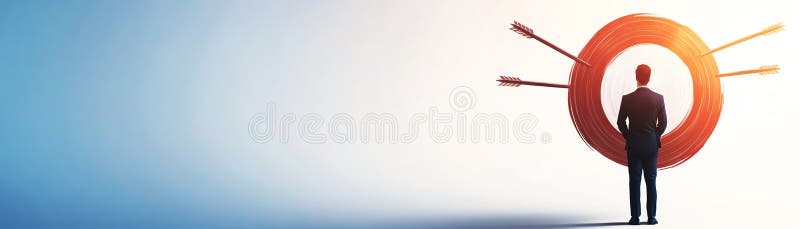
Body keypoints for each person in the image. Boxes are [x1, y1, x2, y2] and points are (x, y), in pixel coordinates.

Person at [617, 64, 667, 225]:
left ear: (636, 77)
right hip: (651, 146)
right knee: (651, 181)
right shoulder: (658, 98)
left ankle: (635, 217)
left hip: (634, 145)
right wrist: (655, 135)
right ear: (649, 77)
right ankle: (651, 217)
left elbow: (620, 122)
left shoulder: (627, 98)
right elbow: (664, 123)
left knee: (634, 180)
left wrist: (629, 136)